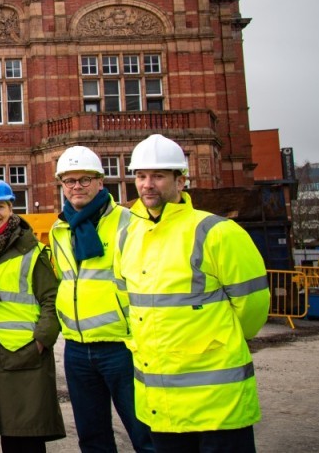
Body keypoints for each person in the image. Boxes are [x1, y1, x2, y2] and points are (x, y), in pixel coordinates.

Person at [115, 135, 269, 453]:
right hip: (161, 403)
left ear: (180, 180)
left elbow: (252, 309)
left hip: (218, 400)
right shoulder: (128, 236)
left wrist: (214, 344)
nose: (147, 185)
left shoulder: (217, 232)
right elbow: (127, 303)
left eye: (158, 176)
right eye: (141, 176)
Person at [50, 147, 153, 453]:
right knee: (92, 437)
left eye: (84, 179)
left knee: (145, 434)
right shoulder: (59, 229)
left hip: (122, 346)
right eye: (69, 181)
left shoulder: (129, 222)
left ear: (99, 182)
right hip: (77, 347)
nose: (76, 187)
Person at [0, 178, 65, 453]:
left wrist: (41, 340)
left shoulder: (31, 249)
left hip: (25, 351)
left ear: (11, 208)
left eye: (0, 206)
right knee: (9, 433)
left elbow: (52, 299)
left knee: (28, 434)